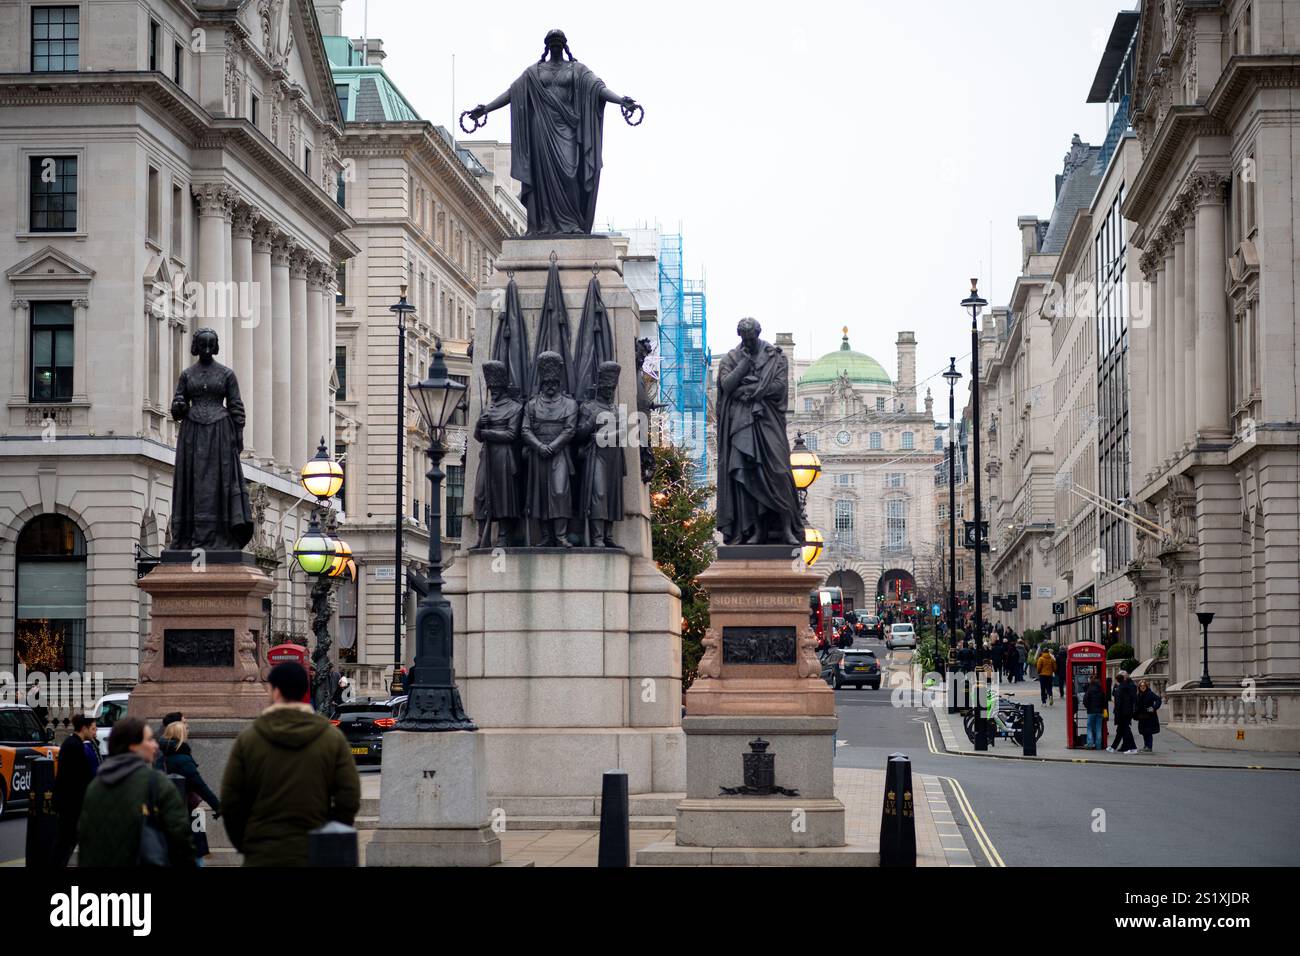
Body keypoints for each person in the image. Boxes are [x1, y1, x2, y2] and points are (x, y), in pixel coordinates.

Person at [220, 662, 361, 867]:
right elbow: (349, 796)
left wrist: (248, 843)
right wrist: (329, 834)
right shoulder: (332, 738)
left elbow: (231, 801)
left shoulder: (249, 739)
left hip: (263, 854)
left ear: (276, 692)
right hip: (316, 852)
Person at [77, 717, 195, 867]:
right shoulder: (156, 783)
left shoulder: (95, 786)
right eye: (150, 739)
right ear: (133, 746)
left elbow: (86, 842)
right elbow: (181, 839)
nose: (155, 745)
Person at [161, 717, 221, 863]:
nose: (188, 732)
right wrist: (218, 806)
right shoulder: (182, 758)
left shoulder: (161, 756)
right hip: (185, 810)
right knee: (195, 852)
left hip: (166, 811)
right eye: (185, 730)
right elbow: (200, 786)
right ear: (180, 735)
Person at [53, 715, 98, 866]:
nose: (95, 732)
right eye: (93, 729)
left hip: (71, 802)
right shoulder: (74, 746)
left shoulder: (74, 743)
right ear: (83, 729)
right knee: (66, 842)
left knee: (68, 841)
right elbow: (79, 777)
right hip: (71, 803)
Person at [1109, 671, 1139, 753]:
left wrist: (1134, 710)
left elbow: (1133, 699)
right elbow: (1114, 695)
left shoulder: (1129, 686)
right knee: (1120, 730)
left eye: (1122, 676)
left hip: (1125, 711)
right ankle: (1117, 747)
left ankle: (1133, 748)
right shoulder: (1120, 686)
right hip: (1121, 711)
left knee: (1126, 729)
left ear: (1125, 677)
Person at [1136, 679, 1162, 753]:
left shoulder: (1150, 693)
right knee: (1144, 732)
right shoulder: (1138, 695)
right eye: (1141, 686)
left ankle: (1149, 746)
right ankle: (1146, 746)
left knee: (1148, 732)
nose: (1142, 687)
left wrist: (1154, 707)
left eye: (1144, 686)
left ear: (1146, 686)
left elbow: (1158, 700)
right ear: (1139, 687)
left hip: (1149, 716)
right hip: (1141, 716)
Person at [1082, 675, 1108, 749]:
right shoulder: (1101, 690)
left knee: (1089, 727)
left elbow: (1085, 700)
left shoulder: (1089, 690)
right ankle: (1098, 745)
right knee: (1098, 728)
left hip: (1091, 711)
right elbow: (1105, 701)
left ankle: (1090, 744)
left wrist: (1088, 707)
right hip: (1100, 712)